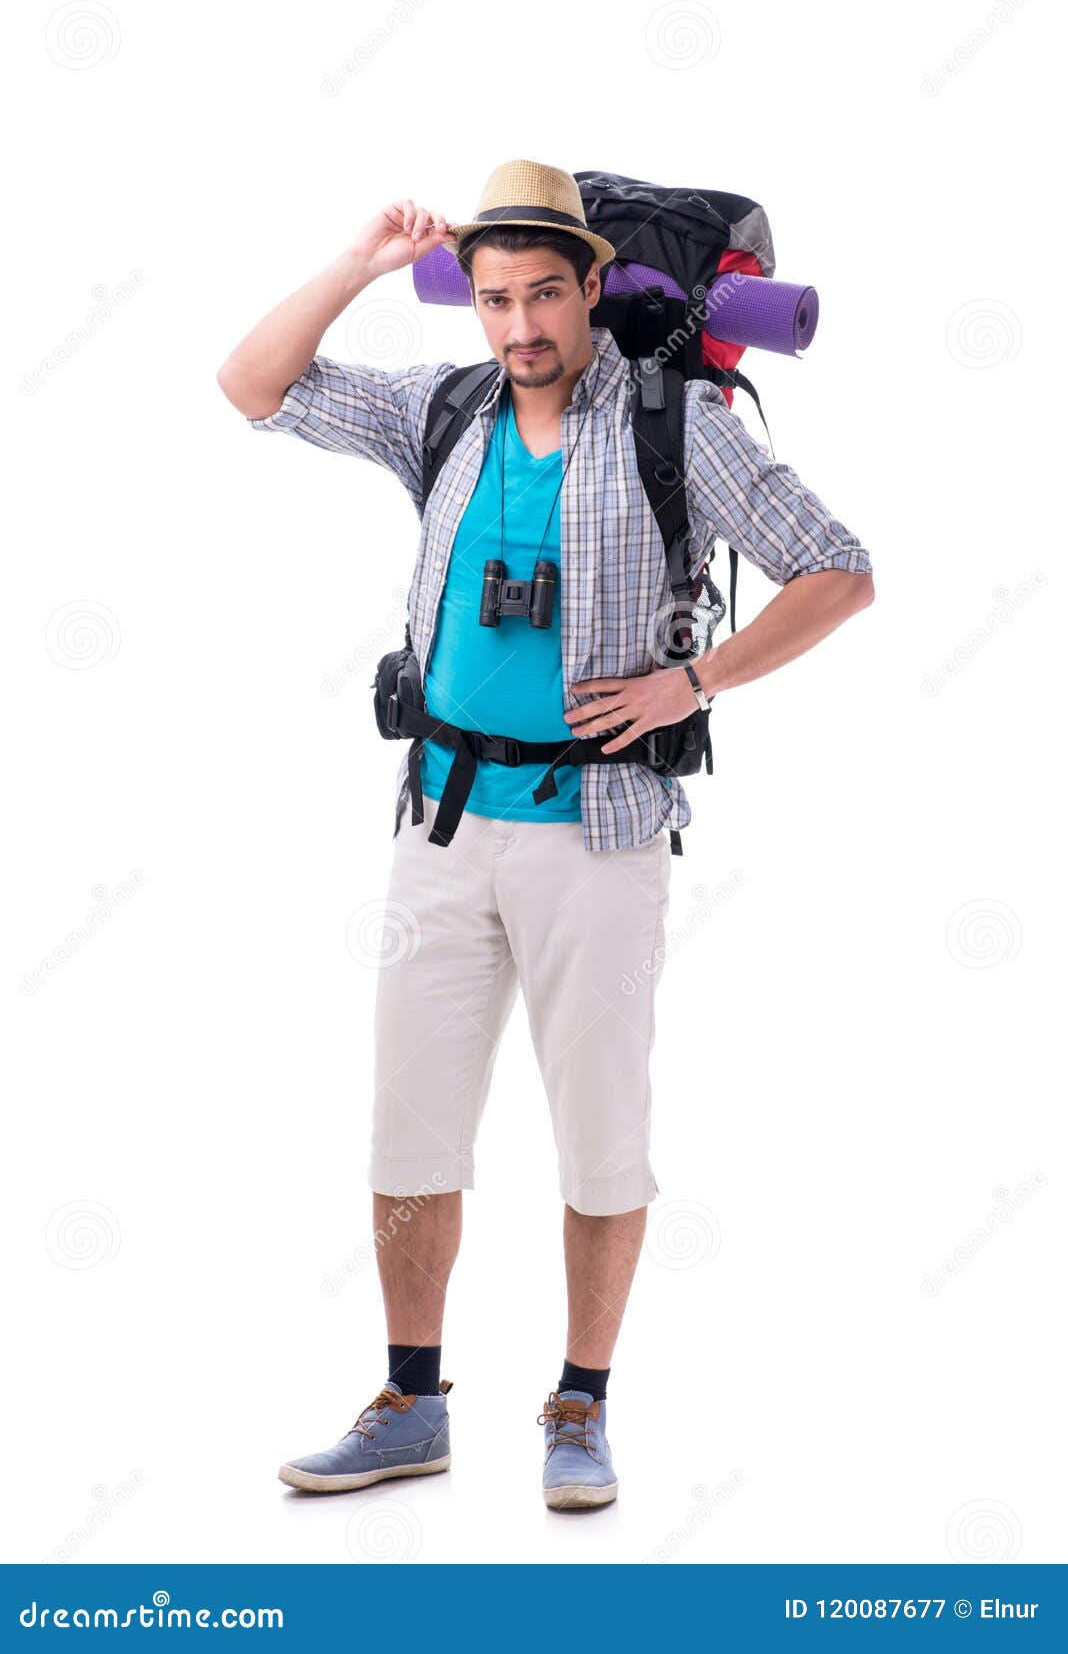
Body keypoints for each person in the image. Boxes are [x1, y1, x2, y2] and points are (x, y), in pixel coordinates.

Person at [216, 159, 875, 1511]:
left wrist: (692, 682)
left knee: (599, 1136)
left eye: (544, 296)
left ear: (589, 292)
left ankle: (581, 1406)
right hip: (442, 826)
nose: (520, 325)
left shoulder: (676, 425)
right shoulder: (442, 414)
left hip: (600, 827)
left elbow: (842, 568)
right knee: (409, 1134)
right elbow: (251, 382)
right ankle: (410, 1398)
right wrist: (358, 265)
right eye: (497, 298)